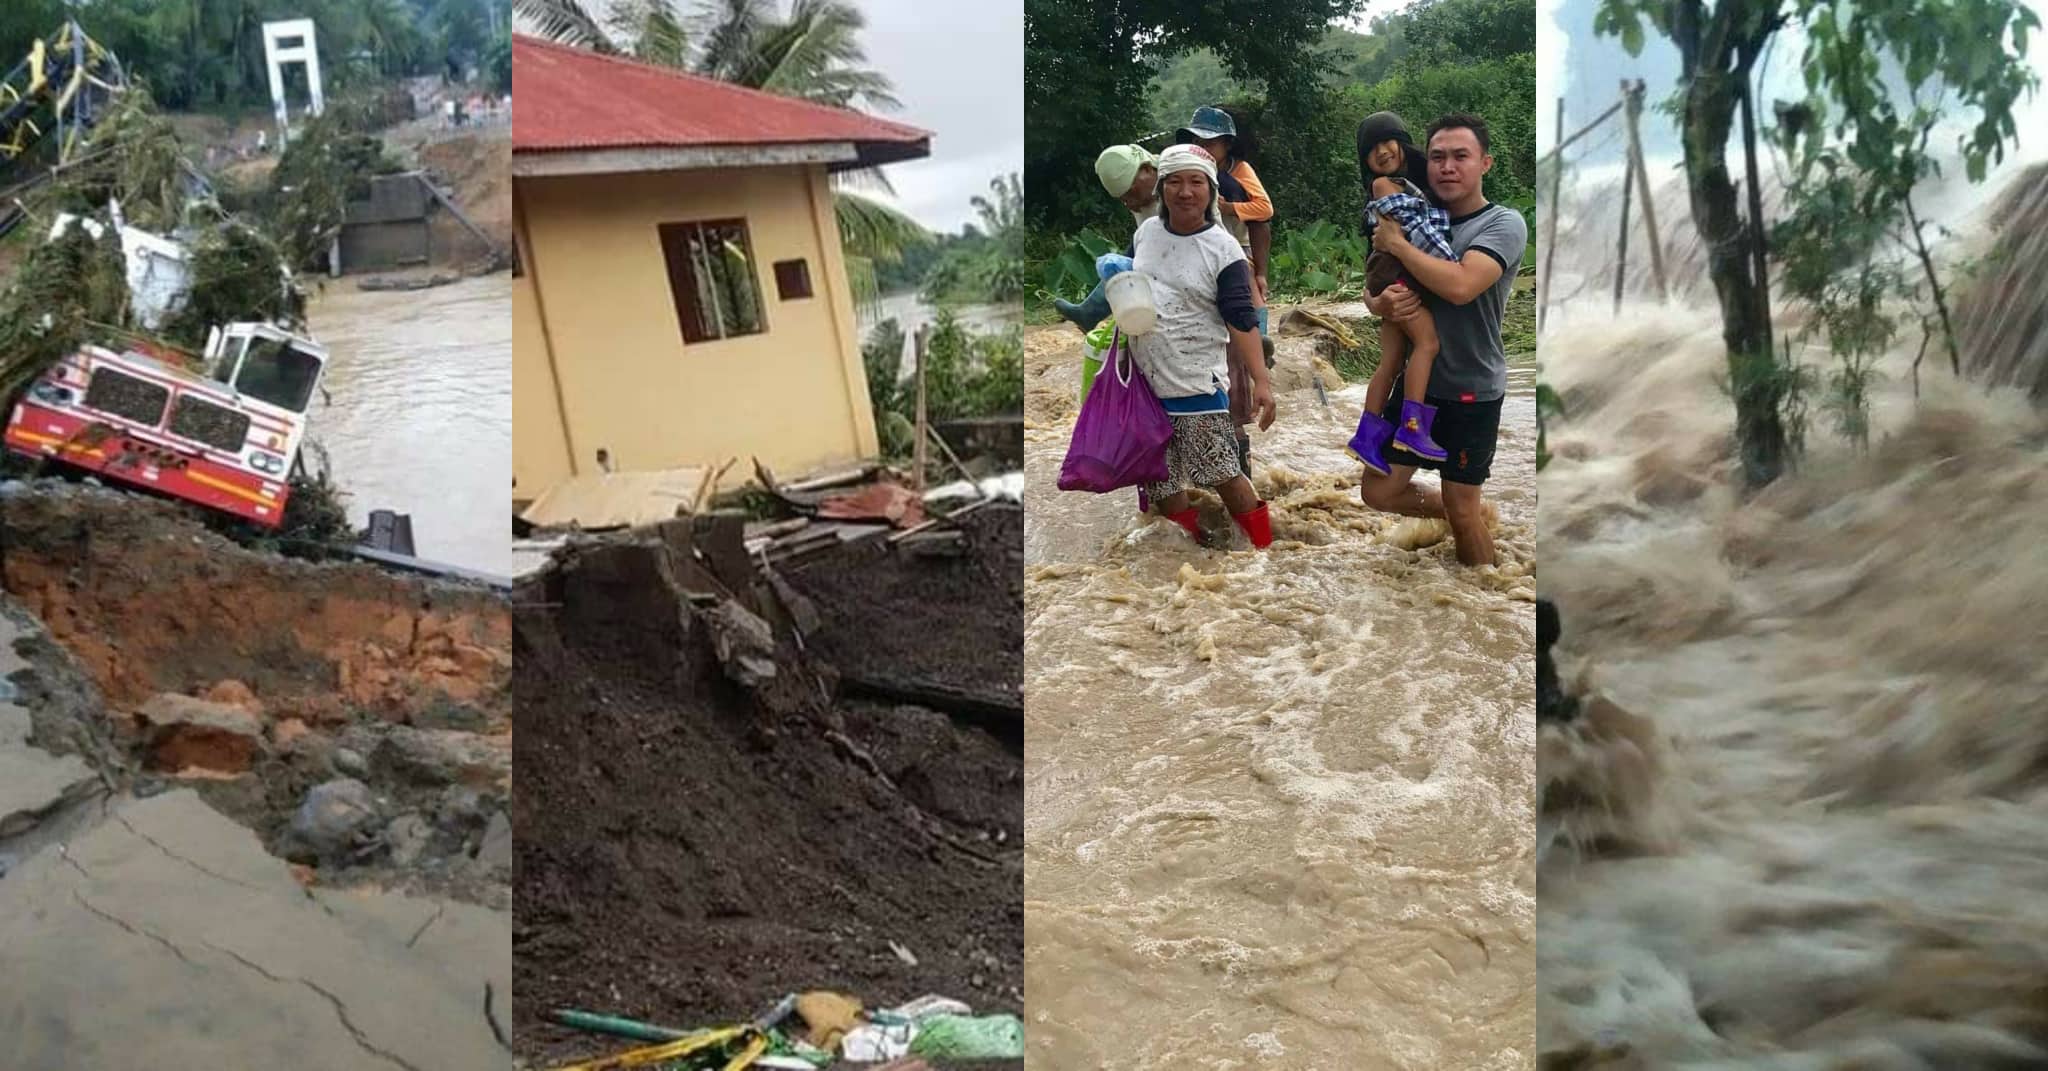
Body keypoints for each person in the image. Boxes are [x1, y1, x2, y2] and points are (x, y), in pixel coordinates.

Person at [1354, 113, 1527, 568]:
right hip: (1418, 386)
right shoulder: (1414, 212)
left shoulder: (1503, 224)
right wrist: (1380, 304)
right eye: (1437, 157)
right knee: (1377, 490)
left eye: (1460, 156)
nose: (1447, 166)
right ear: (1424, 163)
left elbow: (1460, 284)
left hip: (1471, 387)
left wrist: (1398, 243)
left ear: (1484, 163)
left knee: (1463, 509)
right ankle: (1466, 515)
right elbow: (1372, 282)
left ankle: (1487, 597)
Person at [1116, 144, 1278, 548]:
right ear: (1162, 189)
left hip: (1195, 384)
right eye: (1174, 182)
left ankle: (1263, 551)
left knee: (1221, 470)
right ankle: (1191, 553)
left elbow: (1241, 320)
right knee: (1158, 476)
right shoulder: (1146, 233)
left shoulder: (1223, 250)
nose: (1185, 192)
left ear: (1210, 190)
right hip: (1146, 383)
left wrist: (1262, 382)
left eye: (1195, 183)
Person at [1352, 111, 1458, 466]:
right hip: (1397, 277)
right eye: (1372, 149)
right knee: (1427, 344)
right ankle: (1412, 428)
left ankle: (1366, 438)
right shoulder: (1384, 185)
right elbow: (1417, 232)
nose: (1382, 152)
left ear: (1401, 140)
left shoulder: (1408, 182)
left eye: (1387, 142)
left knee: (1392, 361)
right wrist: (1450, 266)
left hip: (1387, 277)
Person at [1176, 105, 1275, 475]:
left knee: (1243, 319)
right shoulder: (1193, 174)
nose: (1203, 145)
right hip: (1199, 263)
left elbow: (1264, 210)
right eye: (1197, 139)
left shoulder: (1237, 173)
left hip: (1236, 252)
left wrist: (1227, 205)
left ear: (1226, 144)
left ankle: (1259, 354)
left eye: (1210, 141)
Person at [1053, 144, 1158, 329]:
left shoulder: (1181, 181)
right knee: (1121, 263)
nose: (1130, 204)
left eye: (1131, 193)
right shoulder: (1141, 194)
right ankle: (1089, 312)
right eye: (1123, 199)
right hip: (1153, 241)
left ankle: (1089, 312)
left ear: (1148, 169)